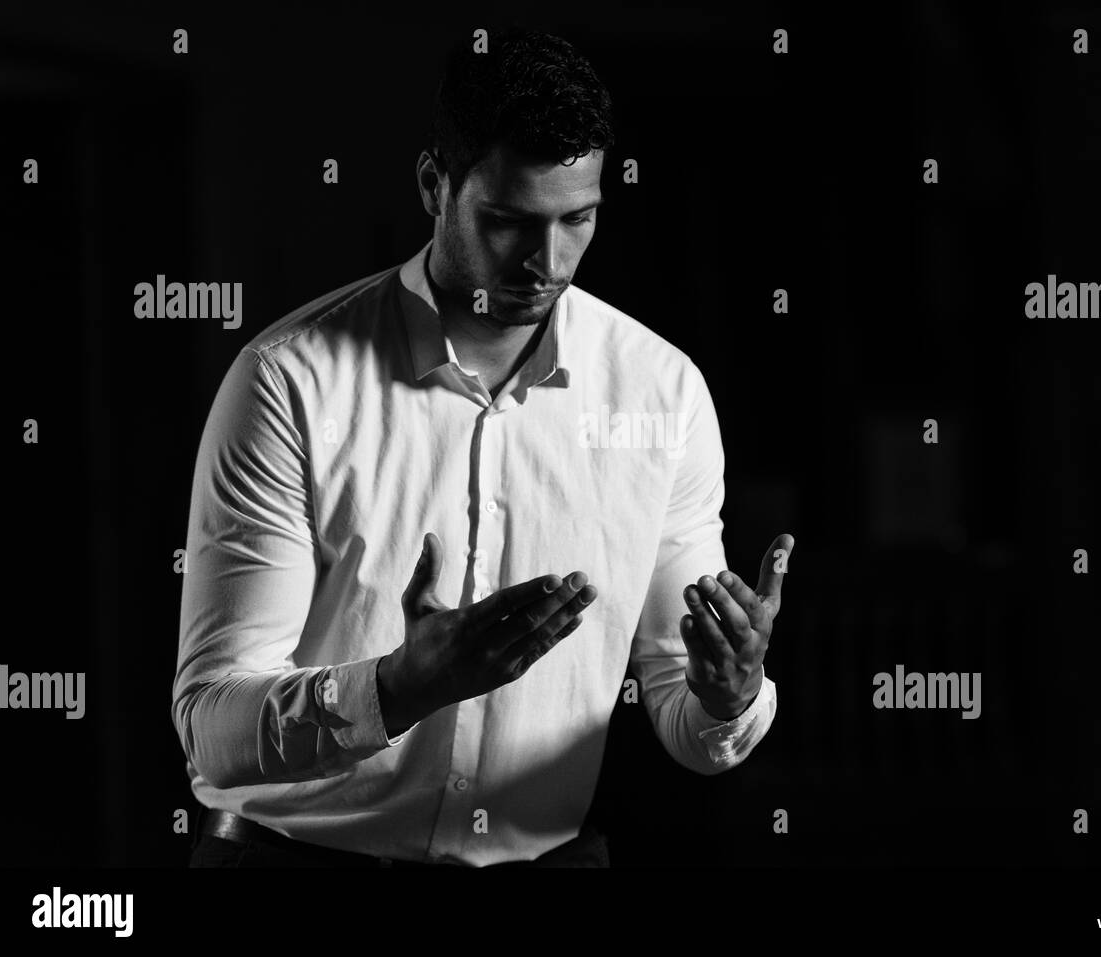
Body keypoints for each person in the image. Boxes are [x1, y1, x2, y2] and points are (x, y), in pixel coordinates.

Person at [174, 25, 792, 868]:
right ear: (436, 184)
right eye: (508, 221)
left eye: (578, 218)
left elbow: (682, 713)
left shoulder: (662, 393)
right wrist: (395, 689)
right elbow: (212, 726)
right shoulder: (289, 384)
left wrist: (730, 694)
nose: (546, 263)